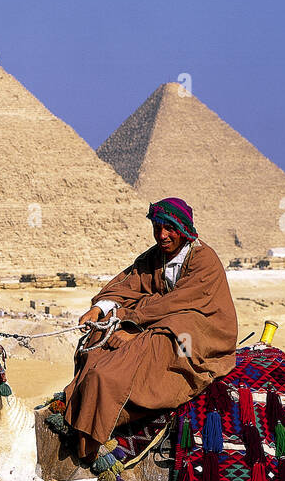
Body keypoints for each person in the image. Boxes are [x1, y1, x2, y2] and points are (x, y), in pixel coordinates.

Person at [64, 197, 237, 461]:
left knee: (118, 368)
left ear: (183, 227)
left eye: (169, 228)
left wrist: (131, 321)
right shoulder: (155, 257)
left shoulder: (204, 259)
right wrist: (99, 310)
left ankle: (98, 429)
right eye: (157, 227)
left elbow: (178, 303)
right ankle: (79, 404)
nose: (162, 235)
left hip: (197, 338)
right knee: (100, 337)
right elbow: (127, 284)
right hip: (156, 321)